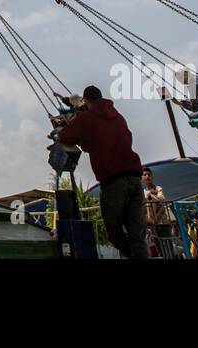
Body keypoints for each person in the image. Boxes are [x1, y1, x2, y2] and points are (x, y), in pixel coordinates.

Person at [55, 85, 148, 259]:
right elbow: (126, 138)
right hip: (135, 180)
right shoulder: (119, 117)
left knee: (114, 233)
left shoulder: (85, 119)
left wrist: (86, 142)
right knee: (137, 236)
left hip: (113, 182)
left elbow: (65, 136)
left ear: (86, 101)